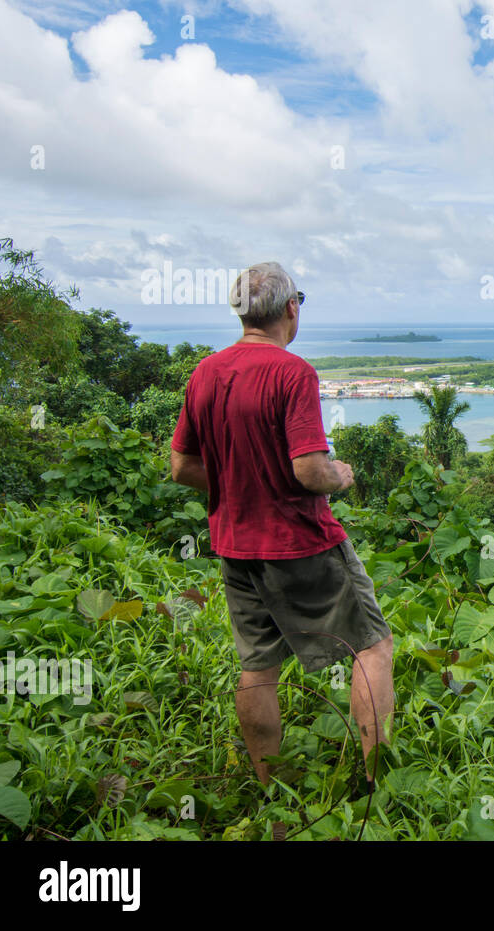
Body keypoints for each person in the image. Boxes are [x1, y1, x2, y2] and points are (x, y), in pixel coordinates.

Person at [169, 261, 394, 787]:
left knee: (258, 668)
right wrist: (339, 475)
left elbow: (181, 467)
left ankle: (268, 784)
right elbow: (308, 470)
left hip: (235, 544)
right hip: (300, 542)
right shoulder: (292, 373)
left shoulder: (206, 372)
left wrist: (239, 486)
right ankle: (375, 784)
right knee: (371, 649)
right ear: (291, 308)